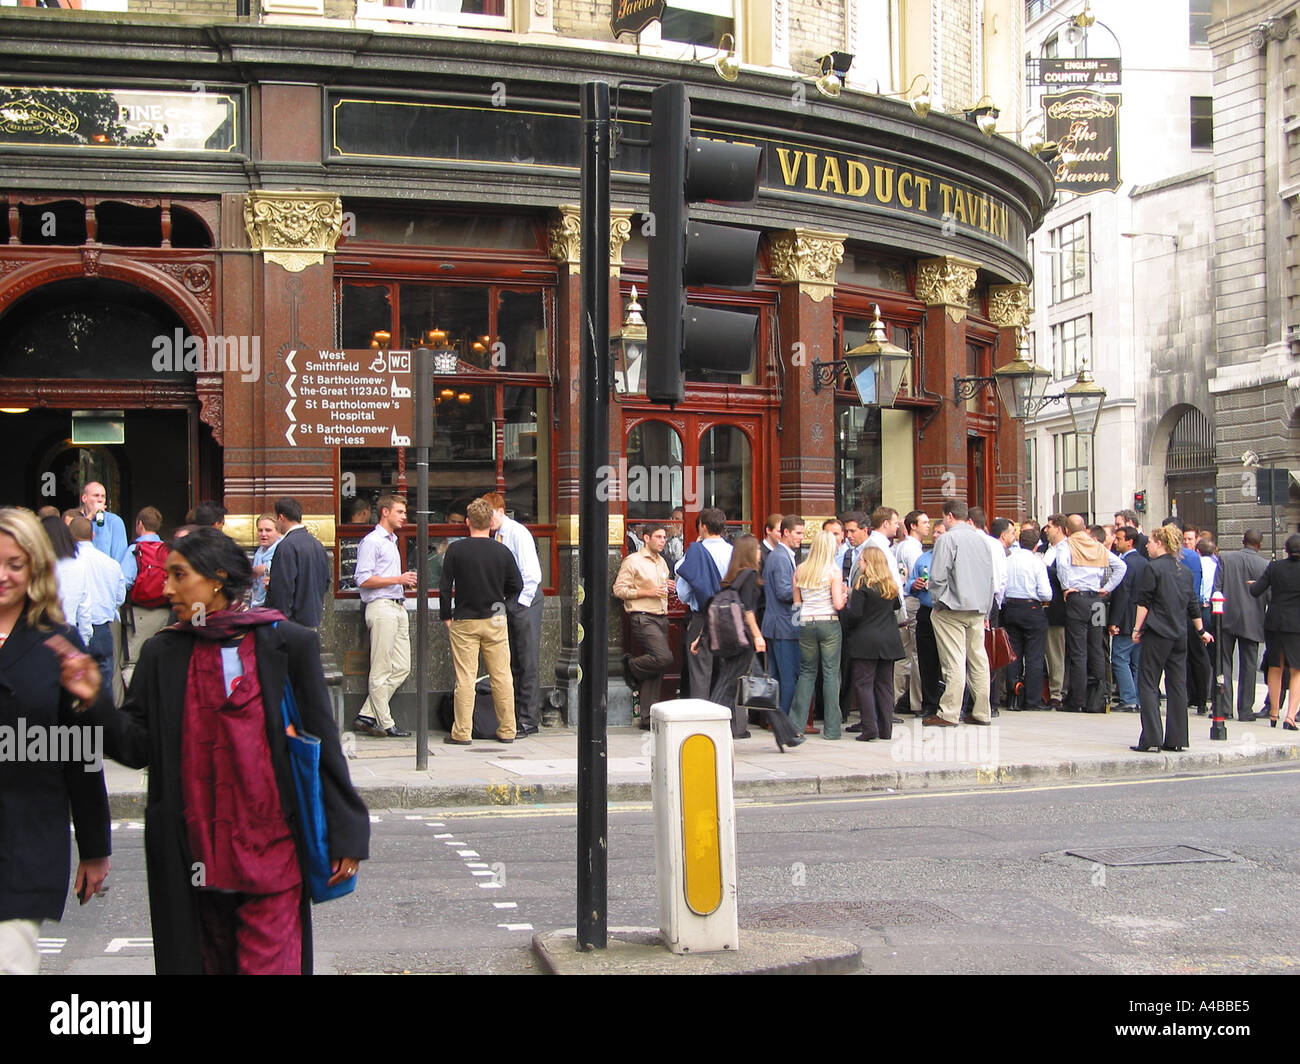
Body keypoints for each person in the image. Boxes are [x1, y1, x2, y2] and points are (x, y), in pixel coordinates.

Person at [88, 527, 368, 974]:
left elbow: (322, 743)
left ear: (217, 578)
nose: (166, 588)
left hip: (274, 859)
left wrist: (347, 833)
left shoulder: (286, 643)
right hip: (193, 863)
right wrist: (94, 702)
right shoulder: (164, 653)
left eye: (179, 576)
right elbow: (138, 745)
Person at [0, 507, 111, 974]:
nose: (2, 575)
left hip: (23, 839)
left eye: (14, 564)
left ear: (36, 570)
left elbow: (81, 751)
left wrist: (94, 846)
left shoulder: (60, 645)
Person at [439, 498, 522, 745]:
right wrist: (503, 606)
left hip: (464, 620)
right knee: (502, 676)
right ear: (490, 523)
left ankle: (462, 732)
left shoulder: (456, 550)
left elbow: (445, 587)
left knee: (465, 678)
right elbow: (517, 586)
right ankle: (508, 730)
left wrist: (446, 615)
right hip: (495, 620)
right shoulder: (502, 551)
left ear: (467, 522)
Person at [1132, 523, 1210, 752]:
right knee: (1177, 686)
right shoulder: (1184, 571)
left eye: (1150, 542)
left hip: (1157, 632)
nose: (1147, 545)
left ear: (1160, 543)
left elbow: (1144, 602)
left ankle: (1151, 738)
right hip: (1180, 634)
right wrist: (1201, 631)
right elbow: (1193, 604)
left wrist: (1137, 629)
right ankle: (1177, 740)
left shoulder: (1152, 568)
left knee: (1148, 683)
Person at [692, 534, 775, 740]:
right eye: (756, 549)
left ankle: (784, 730)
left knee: (737, 681)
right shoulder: (749, 575)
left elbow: (716, 607)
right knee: (729, 684)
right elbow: (747, 611)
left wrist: (700, 638)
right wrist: (758, 636)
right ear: (749, 552)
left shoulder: (733, 578)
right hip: (743, 639)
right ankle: (711, 726)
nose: (759, 553)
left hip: (730, 638)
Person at [352, 494, 416, 739]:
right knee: (380, 668)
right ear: (385, 512)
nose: (404, 516)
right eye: (400, 511)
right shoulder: (373, 541)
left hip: (397, 606)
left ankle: (368, 714)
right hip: (381, 607)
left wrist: (400, 584)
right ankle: (385, 722)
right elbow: (363, 579)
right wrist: (398, 579)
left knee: (401, 666)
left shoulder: (391, 540)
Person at [926, 500, 994, 727]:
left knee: (954, 660)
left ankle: (949, 712)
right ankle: (982, 711)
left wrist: (938, 601)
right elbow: (990, 578)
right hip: (977, 607)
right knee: (978, 660)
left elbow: (937, 576)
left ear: (949, 516)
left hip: (952, 607)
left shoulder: (947, 539)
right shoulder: (982, 540)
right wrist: (987, 610)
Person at [483, 493, 544, 737]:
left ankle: (528, 719)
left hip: (524, 598)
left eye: (489, 516)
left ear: (500, 511)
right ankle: (516, 716)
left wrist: (519, 605)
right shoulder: (497, 534)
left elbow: (531, 574)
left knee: (527, 660)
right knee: (513, 661)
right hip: (511, 599)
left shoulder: (517, 533)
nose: (487, 522)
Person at [1055, 514, 1125, 714]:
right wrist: (1107, 588)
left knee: (1078, 651)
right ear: (1084, 527)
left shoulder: (1066, 546)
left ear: (1067, 530)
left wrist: (1066, 586)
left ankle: (1077, 699)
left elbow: (1061, 566)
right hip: (1097, 601)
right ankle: (1099, 698)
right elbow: (1121, 566)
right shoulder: (1098, 546)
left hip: (1077, 601)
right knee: (1098, 648)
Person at [614, 522, 674, 727]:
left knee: (655, 668)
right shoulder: (633, 561)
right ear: (646, 538)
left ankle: (647, 718)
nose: (662, 541)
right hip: (642, 616)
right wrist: (647, 593)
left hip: (661, 615)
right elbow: (619, 590)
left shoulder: (662, 562)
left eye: (664, 537)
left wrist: (669, 586)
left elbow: (661, 587)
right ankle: (630, 665)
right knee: (663, 657)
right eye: (658, 537)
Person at [787, 530, 846, 739]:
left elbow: (796, 603)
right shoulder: (833, 571)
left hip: (806, 621)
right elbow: (838, 604)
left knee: (806, 672)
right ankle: (832, 729)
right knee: (830, 673)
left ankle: (796, 724)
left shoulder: (801, 569)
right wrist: (846, 595)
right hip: (828, 622)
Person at [843, 545, 906, 741]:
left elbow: (855, 615)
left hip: (866, 641)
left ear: (869, 564)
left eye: (861, 561)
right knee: (884, 686)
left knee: (864, 685)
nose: (859, 564)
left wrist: (844, 607)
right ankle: (885, 729)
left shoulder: (863, 586)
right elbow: (896, 606)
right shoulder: (890, 586)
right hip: (888, 640)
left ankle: (869, 727)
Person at [675, 508, 733, 700]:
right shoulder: (734, 552)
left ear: (703, 527)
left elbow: (683, 592)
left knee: (700, 672)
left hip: (702, 617)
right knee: (728, 672)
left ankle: (700, 722)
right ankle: (733, 724)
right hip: (730, 617)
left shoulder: (695, 552)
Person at [70, 516, 126, 702]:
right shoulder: (110, 563)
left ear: (70, 536)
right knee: (104, 682)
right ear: (93, 535)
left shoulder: (67, 563)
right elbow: (120, 596)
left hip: (74, 628)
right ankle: (104, 727)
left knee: (73, 684)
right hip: (102, 628)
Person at [1215, 530, 1269, 722]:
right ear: (1259, 545)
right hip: (1253, 620)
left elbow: (1218, 588)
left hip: (1227, 617)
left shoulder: (1226, 559)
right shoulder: (1264, 565)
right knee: (1248, 666)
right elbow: (1268, 596)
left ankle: (1226, 708)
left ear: (1242, 541)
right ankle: (1245, 710)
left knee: (1225, 664)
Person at [1250, 532, 1300, 730]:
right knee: (1296, 670)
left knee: (1275, 666)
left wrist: (1255, 584)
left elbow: (1256, 591)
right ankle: (1290, 717)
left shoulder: (1275, 567)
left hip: (1274, 622)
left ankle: (1273, 713)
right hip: (1296, 624)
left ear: (1286, 550)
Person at [1001, 527, 1052, 710]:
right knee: (1034, 656)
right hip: (1032, 608)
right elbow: (1046, 593)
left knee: (1013, 656)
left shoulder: (1008, 560)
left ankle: (1014, 698)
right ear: (1037, 545)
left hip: (1011, 607)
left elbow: (1002, 585)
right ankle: (1032, 700)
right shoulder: (1037, 562)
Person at [761, 515, 804, 722]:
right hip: (783, 625)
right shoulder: (780, 557)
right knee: (787, 678)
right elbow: (784, 592)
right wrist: (808, 589)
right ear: (786, 532)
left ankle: (776, 720)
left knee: (779, 678)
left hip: (781, 624)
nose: (801, 538)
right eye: (798, 533)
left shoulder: (783, 555)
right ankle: (783, 722)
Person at [265, 497, 331, 629]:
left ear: (281, 518)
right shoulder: (317, 544)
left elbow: (283, 590)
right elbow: (326, 582)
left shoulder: (286, 546)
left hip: (291, 623)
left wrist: (280, 623)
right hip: (312, 618)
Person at [1107, 525, 1149, 713]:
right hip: (1142, 618)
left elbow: (1123, 594)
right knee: (1136, 662)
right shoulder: (1144, 562)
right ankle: (1139, 698)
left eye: (1119, 538)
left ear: (1129, 541)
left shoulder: (1126, 564)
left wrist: (1114, 621)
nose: (1116, 542)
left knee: (1119, 657)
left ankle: (1129, 698)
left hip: (1126, 618)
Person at [906, 522, 945, 720]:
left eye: (941, 532)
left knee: (948, 661)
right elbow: (909, 583)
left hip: (946, 613)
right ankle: (929, 703)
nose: (936, 535)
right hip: (926, 611)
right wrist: (915, 584)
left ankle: (950, 702)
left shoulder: (951, 559)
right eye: (935, 532)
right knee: (926, 660)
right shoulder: (923, 559)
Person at [41, 514, 90, 646]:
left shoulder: (40, 567)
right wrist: (84, 640)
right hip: (70, 635)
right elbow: (84, 608)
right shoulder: (79, 566)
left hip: (41, 637)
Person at [78, 481, 128, 564]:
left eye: (103, 497)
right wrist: (90, 516)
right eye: (96, 496)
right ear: (84, 498)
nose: (100, 500)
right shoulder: (77, 521)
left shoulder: (114, 521)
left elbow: (119, 557)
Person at [249, 513, 281, 609]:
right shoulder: (260, 552)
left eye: (268, 530)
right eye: (260, 530)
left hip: (273, 605)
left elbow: (269, 571)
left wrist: (265, 571)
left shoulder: (282, 550)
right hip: (257, 603)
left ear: (278, 532)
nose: (263, 534)